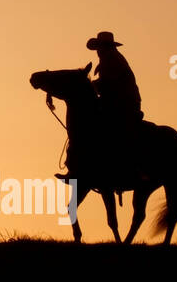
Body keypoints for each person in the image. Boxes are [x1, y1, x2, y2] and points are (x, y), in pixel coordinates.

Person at [57, 31, 145, 185]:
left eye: (99, 47)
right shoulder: (108, 60)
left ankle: (131, 167)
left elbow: (108, 84)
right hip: (114, 103)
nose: (97, 51)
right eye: (97, 47)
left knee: (113, 131)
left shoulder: (113, 60)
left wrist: (89, 86)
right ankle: (78, 167)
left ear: (105, 47)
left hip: (124, 104)